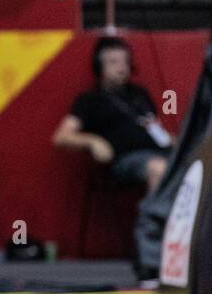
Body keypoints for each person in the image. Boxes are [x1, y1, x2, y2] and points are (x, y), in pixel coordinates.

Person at [53, 36, 173, 192]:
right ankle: (155, 216)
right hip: (124, 159)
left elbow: (157, 129)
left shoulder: (140, 94)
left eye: (125, 62)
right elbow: (61, 137)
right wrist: (92, 141)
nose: (122, 68)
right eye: (113, 62)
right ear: (100, 66)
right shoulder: (90, 99)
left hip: (159, 151)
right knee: (160, 169)